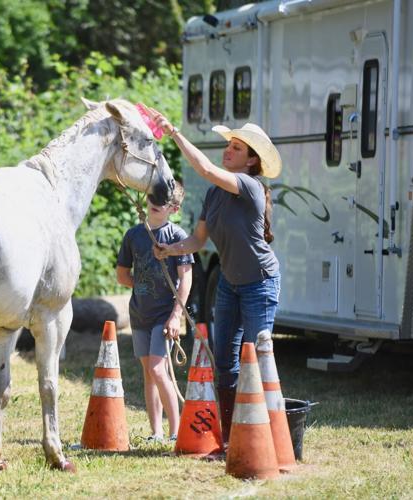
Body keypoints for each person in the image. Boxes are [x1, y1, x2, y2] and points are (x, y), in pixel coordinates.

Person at [149, 110, 282, 447]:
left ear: (251, 162)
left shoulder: (249, 186)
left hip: (259, 283)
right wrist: (170, 249)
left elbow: (205, 168)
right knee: (225, 361)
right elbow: (197, 241)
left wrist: (175, 133)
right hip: (229, 284)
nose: (229, 150)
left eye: (237, 148)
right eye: (230, 145)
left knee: (256, 358)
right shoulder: (213, 195)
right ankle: (229, 437)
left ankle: (264, 439)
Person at [116, 182, 193, 442]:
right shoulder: (134, 235)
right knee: (149, 374)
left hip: (163, 315)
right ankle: (156, 432)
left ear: (174, 208)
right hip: (139, 313)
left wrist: (175, 316)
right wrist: (142, 283)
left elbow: (186, 280)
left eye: (163, 200)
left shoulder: (177, 236)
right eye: (153, 196)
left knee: (160, 371)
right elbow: (121, 275)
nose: (156, 202)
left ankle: (175, 430)